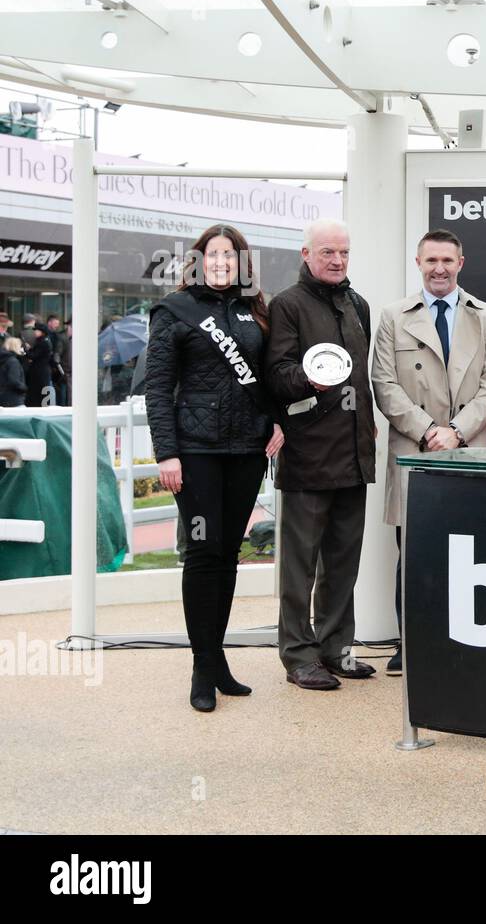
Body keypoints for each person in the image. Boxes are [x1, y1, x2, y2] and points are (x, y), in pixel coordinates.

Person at [143, 223, 285, 712]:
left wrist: (277, 421)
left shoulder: (256, 312)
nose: (222, 262)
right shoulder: (174, 311)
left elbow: (269, 378)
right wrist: (167, 452)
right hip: (196, 450)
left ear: (243, 263)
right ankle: (202, 669)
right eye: (214, 254)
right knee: (203, 553)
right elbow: (158, 388)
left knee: (228, 554)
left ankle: (218, 659)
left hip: (246, 450)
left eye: (231, 254)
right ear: (199, 260)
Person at [371, 228, 486, 675]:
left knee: (471, 553)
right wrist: (430, 430)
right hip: (414, 450)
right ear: (418, 263)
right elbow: (384, 385)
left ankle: (466, 640)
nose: (440, 268)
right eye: (431, 260)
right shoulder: (393, 316)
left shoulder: (485, 316)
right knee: (413, 552)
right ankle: (408, 644)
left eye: (447, 260)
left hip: (469, 452)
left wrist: (457, 432)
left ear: (461, 264)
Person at [266, 218, 378, 691]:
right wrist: (308, 379)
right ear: (306, 254)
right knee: (299, 564)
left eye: (344, 253)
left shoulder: (358, 305)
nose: (336, 260)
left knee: (343, 561)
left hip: (354, 452)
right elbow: (277, 372)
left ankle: (335, 648)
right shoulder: (287, 304)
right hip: (308, 454)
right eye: (327, 252)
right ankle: (297, 655)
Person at [23, 321, 52, 407]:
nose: (34, 332)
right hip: (39, 371)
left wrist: (25, 351)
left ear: (42, 332)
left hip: (40, 372)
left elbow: (33, 356)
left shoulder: (43, 343)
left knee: (38, 393)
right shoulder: (42, 341)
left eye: (36, 331)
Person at [45, 314, 68, 406]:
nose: (57, 326)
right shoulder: (49, 335)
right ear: (49, 322)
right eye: (55, 323)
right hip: (51, 365)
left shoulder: (56, 335)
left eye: (58, 324)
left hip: (54, 367)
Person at [0, 336, 26, 406]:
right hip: (14, 400)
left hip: (3, 399)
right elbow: (14, 381)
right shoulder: (13, 362)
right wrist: (24, 388)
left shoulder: (3, 360)